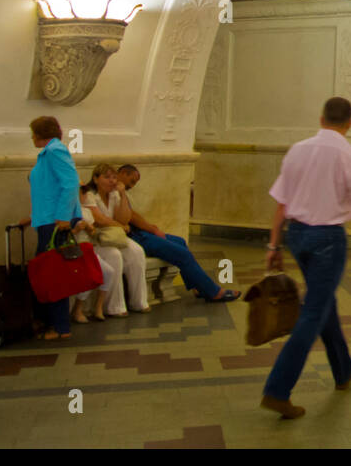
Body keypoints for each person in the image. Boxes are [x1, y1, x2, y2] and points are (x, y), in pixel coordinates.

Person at [261, 97, 351, 419]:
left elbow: (282, 203)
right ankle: (277, 390)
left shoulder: (297, 150)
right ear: (349, 124)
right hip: (327, 239)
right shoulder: (347, 155)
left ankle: (342, 369)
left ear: (322, 117)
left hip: (296, 236)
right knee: (313, 312)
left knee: (324, 302)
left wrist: (273, 246)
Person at [116, 165, 238, 302]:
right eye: (131, 181)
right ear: (123, 173)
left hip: (140, 233)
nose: (132, 186)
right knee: (183, 254)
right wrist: (153, 230)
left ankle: (197, 287)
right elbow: (129, 216)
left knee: (180, 241)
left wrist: (150, 227)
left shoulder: (120, 191)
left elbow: (133, 215)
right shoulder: (116, 191)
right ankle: (214, 292)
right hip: (135, 237)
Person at [25, 116, 84, 341]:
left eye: (33, 132)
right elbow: (48, 190)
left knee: (54, 273)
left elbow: (70, 183)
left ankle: (60, 326)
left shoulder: (55, 151)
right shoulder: (48, 153)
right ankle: (53, 322)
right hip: (46, 220)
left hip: (54, 223)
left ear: (41, 133)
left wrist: (62, 218)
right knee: (47, 272)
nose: (31, 137)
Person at [74, 164, 150, 319]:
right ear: (96, 179)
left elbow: (124, 218)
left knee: (137, 251)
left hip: (113, 235)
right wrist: (121, 226)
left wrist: (122, 196)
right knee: (114, 255)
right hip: (96, 238)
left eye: (114, 177)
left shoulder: (115, 194)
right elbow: (99, 219)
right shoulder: (89, 194)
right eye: (107, 177)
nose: (112, 181)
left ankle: (139, 301)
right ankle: (114, 306)